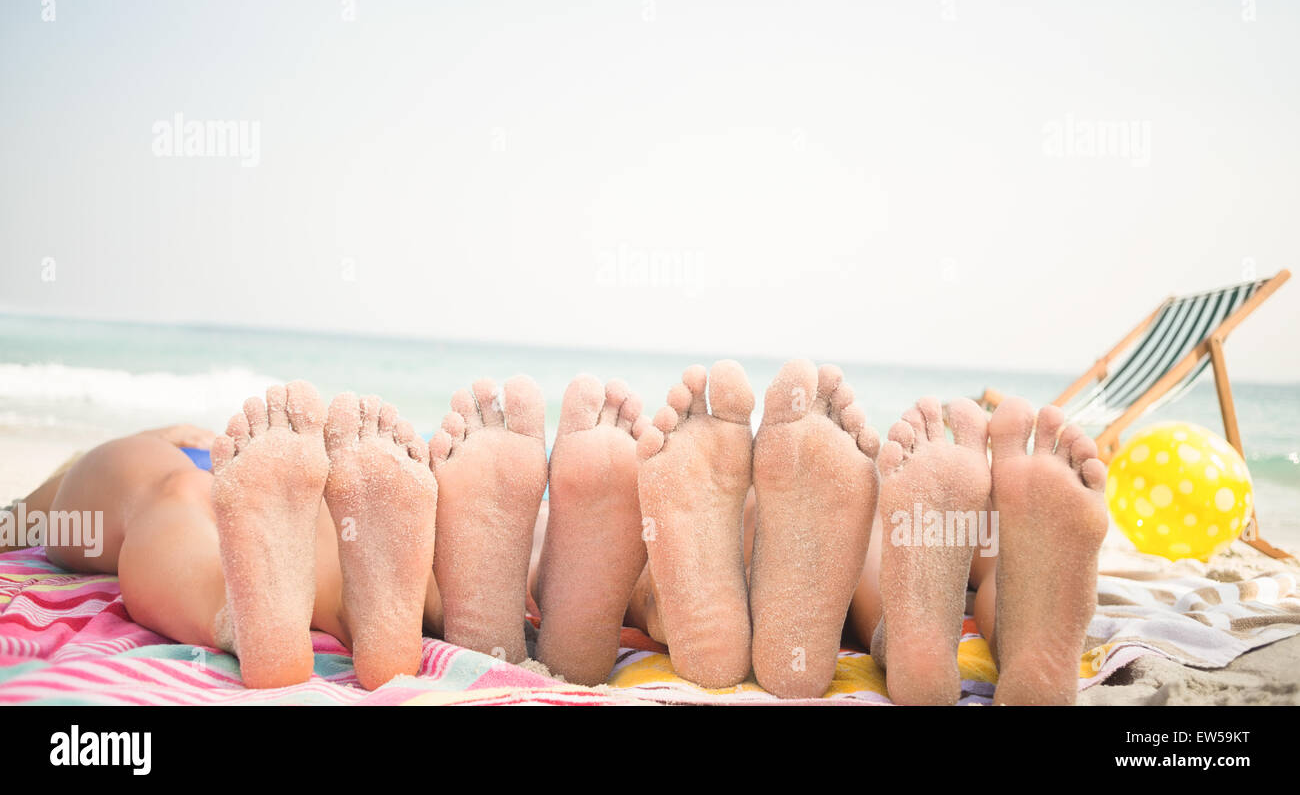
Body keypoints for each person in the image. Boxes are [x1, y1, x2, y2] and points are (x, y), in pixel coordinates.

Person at [8, 360, 1108, 703]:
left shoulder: (180, 448)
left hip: (328, 536)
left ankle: (267, 613)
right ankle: (944, 605)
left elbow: (57, 521)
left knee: (163, 495)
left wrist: (29, 512)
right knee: (780, 528)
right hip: (455, 537)